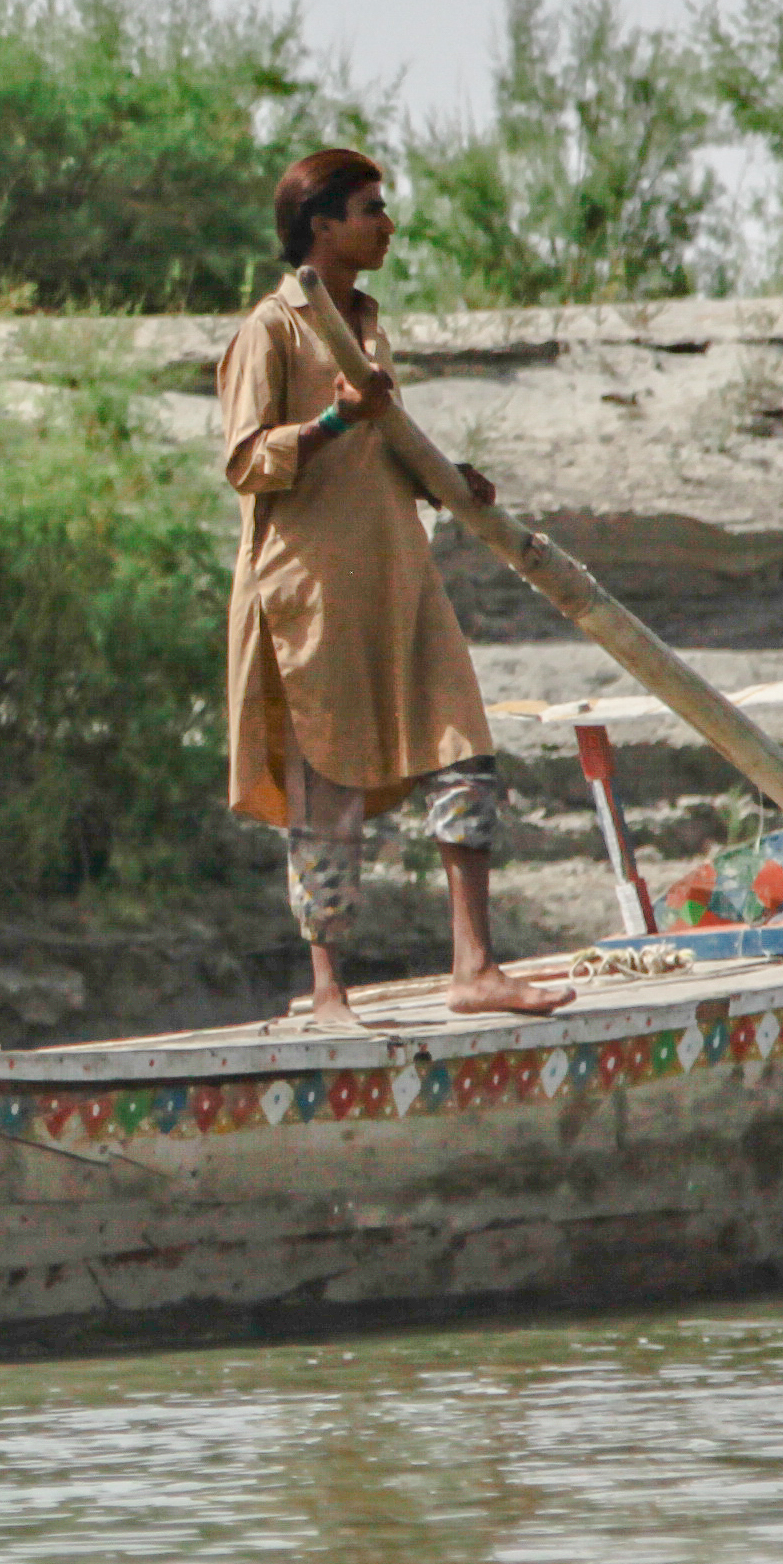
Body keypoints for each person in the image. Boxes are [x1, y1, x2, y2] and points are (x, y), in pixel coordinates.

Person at [219, 146, 568, 1023]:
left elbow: (383, 443)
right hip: (313, 595)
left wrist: (448, 480)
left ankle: (474, 970)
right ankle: (329, 987)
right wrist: (337, 415)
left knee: (465, 758)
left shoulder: (366, 324)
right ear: (321, 224)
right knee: (325, 786)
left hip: (398, 580)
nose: (387, 224)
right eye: (370, 208)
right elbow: (247, 461)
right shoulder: (274, 328)